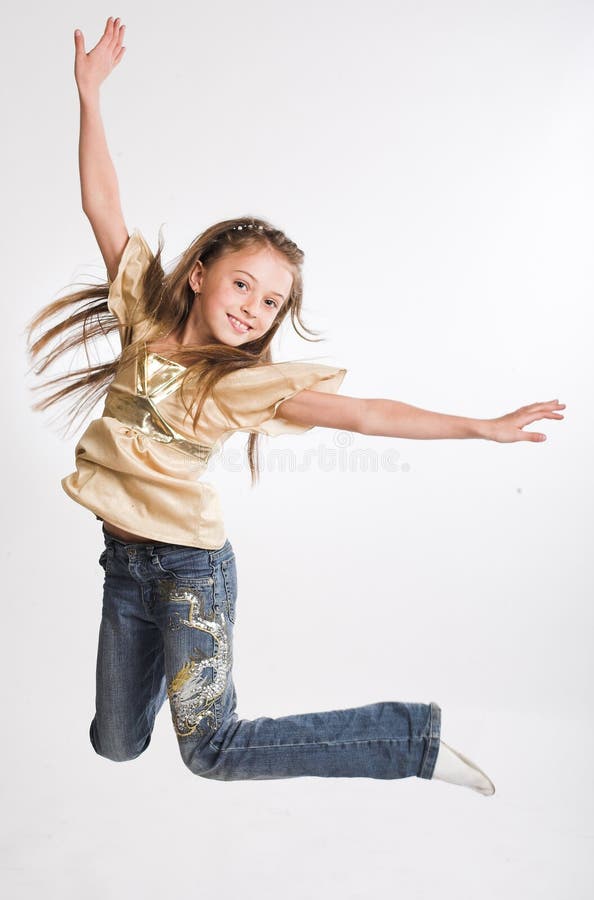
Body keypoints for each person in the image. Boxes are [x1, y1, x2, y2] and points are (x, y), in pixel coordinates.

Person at [27, 17, 565, 796]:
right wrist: (89, 96)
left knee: (210, 749)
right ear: (203, 271)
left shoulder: (238, 386)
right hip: (124, 568)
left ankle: (408, 739)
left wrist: (482, 427)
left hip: (189, 573)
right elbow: (102, 201)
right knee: (115, 744)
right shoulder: (144, 318)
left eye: (272, 302)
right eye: (243, 283)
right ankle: (184, 699)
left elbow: (369, 415)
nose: (253, 307)